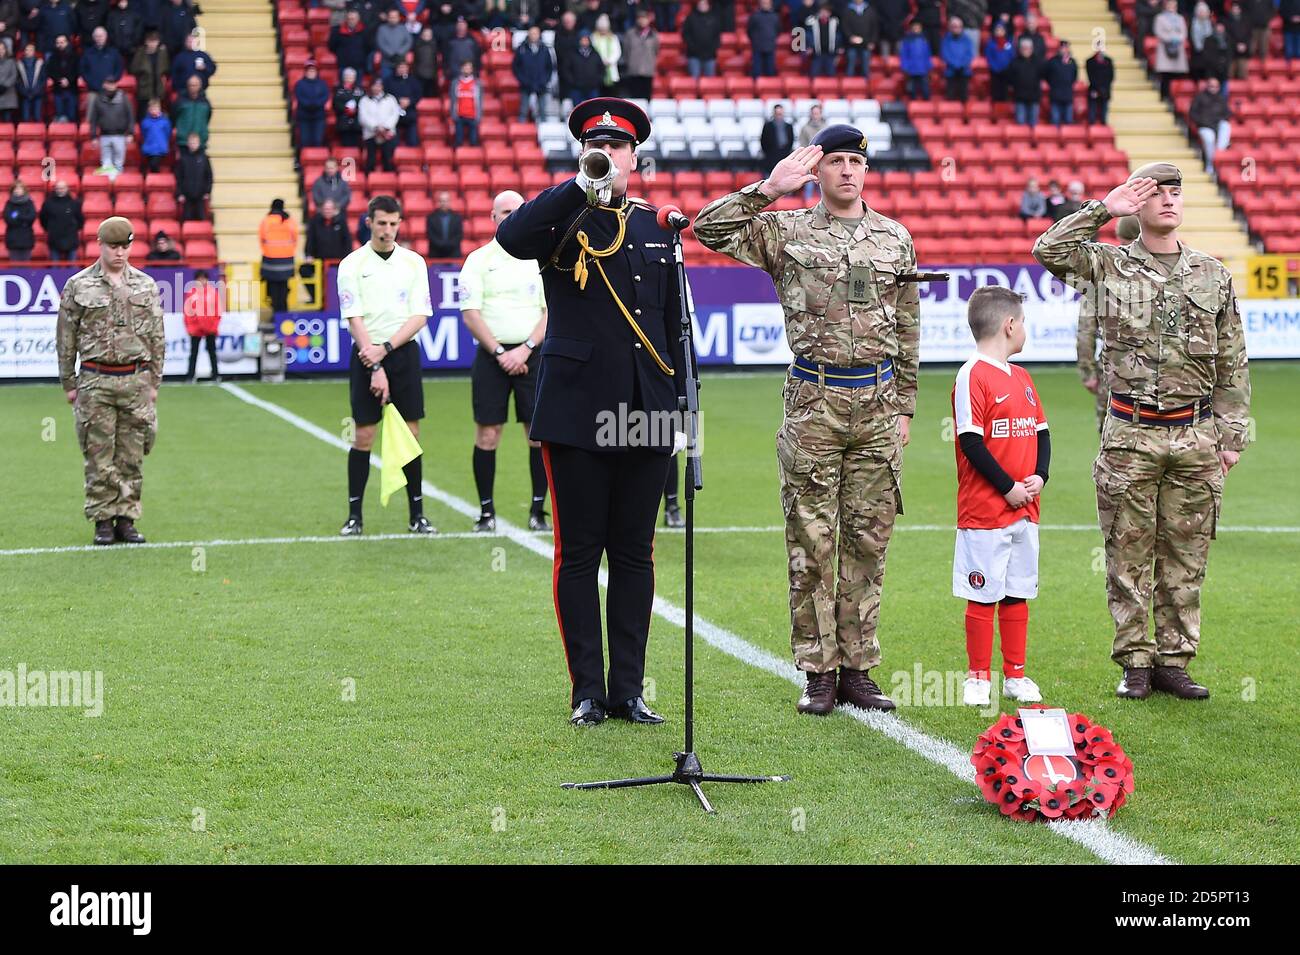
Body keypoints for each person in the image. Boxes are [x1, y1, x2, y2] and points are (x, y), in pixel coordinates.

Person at [695, 126, 919, 716]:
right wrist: (768, 188)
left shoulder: (895, 238)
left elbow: (909, 325)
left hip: (877, 401)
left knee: (868, 542)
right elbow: (708, 229)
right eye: (837, 161)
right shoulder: (786, 229)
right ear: (818, 171)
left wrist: (907, 404)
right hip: (813, 401)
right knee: (812, 543)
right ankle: (818, 671)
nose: (848, 170)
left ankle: (858, 667)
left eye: (856, 161)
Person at [494, 97, 690, 728]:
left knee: (635, 553)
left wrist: (680, 411)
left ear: (637, 156)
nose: (613, 156)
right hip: (577, 411)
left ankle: (629, 691)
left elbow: (672, 326)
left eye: (621, 148)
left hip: (646, 410)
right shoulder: (560, 219)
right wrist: (582, 183)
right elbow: (510, 236)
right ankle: (587, 690)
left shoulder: (658, 226)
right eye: (600, 147)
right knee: (579, 553)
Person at [1032, 163, 1251, 701]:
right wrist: (1105, 209)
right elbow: (1047, 250)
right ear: (1139, 203)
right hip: (1131, 432)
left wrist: (1232, 433)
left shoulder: (1211, 274)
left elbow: (1232, 358)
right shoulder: (1108, 265)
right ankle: (1134, 658)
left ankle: (1174, 660)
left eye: (1175, 193)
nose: (1168, 202)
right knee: (1127, 553)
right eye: (1156, 194)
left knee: (1187, 553)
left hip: (1195, 433)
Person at [951, 286, 1050, 707]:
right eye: (1023, 322)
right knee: (983, 591)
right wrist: (1007, 487)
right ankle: (978, 677)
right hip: (986, 509)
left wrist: (1039, 477)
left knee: (1017, 589)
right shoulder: (971, 374)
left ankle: (1016, 675)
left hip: (1026, 507)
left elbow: (1042, 434)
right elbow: (972, 443)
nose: (1024, 329)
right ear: (1010, 326)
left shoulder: (1023, 378)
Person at [56, 216, 164, 546]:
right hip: (95, 379)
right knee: (99, 455)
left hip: (134, 379)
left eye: (125, 246)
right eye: (114, 246)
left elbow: (157, 337)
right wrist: (69, 382)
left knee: (132, 454)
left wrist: (154, 381)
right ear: (100, 245)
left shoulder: (145, 284)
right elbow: (66, 337)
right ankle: (102, 520)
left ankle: (127, 519)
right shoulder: (78, 285)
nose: (120, 253)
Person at [337, 195, 436, 536]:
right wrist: (374, 359)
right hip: (365, 353)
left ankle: (417, 514)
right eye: (382, 223)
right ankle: (354, 517)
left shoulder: (413, 263)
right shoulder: (351, 264)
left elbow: (420, 314)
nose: (388, 230)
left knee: (410, 433)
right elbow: (354, 317)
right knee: (364, 434)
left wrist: (387, 349)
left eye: (394, 224)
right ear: (369, 223)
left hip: (402, 354)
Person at [458, 190, 551, 533]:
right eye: (504, 212)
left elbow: (549, 311)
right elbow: (470, 314)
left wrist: (525, 348)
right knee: (488, 434)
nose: (510, 217)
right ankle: (486, 512)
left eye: (517, 211)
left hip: (532, 355)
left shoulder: (539, 258)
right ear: (492, 217)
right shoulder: (478, 260)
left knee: (538, 435)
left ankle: (538, 511)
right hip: (491, 358)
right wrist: (500, 352)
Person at [1077, 214, 1142, 432]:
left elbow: (1086, 331)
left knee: (1110, 433)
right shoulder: (1161, 271)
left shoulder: (1102, 273)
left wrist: (1087, 372)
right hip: (1155, 373)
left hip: (1112, 370)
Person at [86, 75, 134, 177]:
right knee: (106, 165)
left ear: (116, 84)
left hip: (120, 135)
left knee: (118, 164)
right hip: (104, 135)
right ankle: (107, 187)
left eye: (112, 83)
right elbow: (94, 119)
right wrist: (93, 136)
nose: (110, 86)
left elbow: (130, 116)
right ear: (104, 85)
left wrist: (130, 132)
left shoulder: (123, 98)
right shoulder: (99, 98)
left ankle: (117, 187)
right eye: (108, 83)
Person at [259, 198, 297, 314]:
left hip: (270, 260)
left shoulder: (266, 221)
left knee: (274, 289)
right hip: (286, 260)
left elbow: (261, 239)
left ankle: (276, 314)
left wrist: (268, 251)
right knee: (284, 288)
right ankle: (284, 313)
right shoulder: (289, 220)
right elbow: (295, 238)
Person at [183, 267, 222, 382]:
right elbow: (187, 311)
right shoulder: (191, 293)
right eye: (199, 279)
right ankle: (190, 375)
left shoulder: (212, 292)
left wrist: (214, 325)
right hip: (196, 328)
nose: (201, 282)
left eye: (203, 279)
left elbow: (218, 310)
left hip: (210, 327)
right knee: (193, 353)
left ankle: (215, 375)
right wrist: (189, 326)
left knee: (212, 352)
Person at [1189, 75, 1231, 176]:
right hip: (1205, 126)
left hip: (1217, 125)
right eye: (1211, 86)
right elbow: (1193, 113)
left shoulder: (1221, 98)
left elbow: (1227, 113)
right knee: (1209, 139)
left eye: (1215, 86)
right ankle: (1210, 164)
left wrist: (1219, 120)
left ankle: (1219, 152)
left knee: (1225, 125)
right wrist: (1202, 122)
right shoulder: (1200, 97)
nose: (1213, 88)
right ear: (1207, 86)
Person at [514, 23, 553, 120]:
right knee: (523, 110)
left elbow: (549, 67)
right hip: (526, 84)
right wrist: (523, 80)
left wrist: (545, 80)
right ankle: (520, 131)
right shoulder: (521, 49)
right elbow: (516, 67)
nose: (534, 35)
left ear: (539, 34)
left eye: (536, 33)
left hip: (541, 84)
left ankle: (544, 133)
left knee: (543, 111)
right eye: (532, 33)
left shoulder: (544, 49)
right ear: (528, 34)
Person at [360, 77, 400, 170]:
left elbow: (394, 114)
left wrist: (386, 127)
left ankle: (388, 180)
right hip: (371, 134)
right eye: (375, 86)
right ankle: (369, 180)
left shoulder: (390, 98)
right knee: (370, 160)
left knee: (387, 159)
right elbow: (363, 116)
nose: (377, 88)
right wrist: (375, 127)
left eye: (379, 86)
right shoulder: (365, 100)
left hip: (387, 134)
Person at [39, 178, 84, 262]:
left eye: (62, 188)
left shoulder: (74, 203)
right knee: (55, 268)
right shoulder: (48, 203)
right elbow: (43, 219)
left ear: (67, 189)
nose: (60, 190)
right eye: (58, 188)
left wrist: (73, 229)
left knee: (72, 269)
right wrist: (50, 229)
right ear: (55, 189)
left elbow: (80, 220)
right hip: (54, 239)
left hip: (71, 238)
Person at [1154, 0, 1189, 99]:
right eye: (1170, 5)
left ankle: (1175, 96)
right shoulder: (1160, 18)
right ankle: (1164, 95)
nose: (1172, 7)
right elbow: (1158, 31)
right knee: (1166, 75)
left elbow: (1184, 32)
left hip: (1178, 47)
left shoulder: (1180, 18)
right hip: (1165, 48)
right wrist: (1169, 39)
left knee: (1177, 75)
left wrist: (1178, 39)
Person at [620, 11, 657, 100]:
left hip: (648, 71)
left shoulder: (654, 34)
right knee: (634, 98)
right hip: (634, 71)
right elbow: (626, 51)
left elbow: (656, 50)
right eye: (640, 18)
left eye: (644, 18)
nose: (642, 21)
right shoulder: (630, 34)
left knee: (646, 97)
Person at [175, 131, 211, 222]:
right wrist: (180, 193)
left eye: (195, 143)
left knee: (201, 219)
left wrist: (207, 191)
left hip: (200, 195)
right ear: (188, 143)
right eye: (191, 143)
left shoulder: (204, 158)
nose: (193, 145)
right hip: (187, 196)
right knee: (187, 219)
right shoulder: (183, 158)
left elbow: (209, 176)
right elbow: (179, 177)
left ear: (199, 143)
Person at [129, 28, 167, 109]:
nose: (152, 44)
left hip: (157, 89)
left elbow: (166, 68)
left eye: (155, 41)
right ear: (146, 42)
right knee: (144, 114)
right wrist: (143, 70)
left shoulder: (162, 53)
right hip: (144, 88)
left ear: (158, 42)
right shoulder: (140, 52)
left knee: (156, 114)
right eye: (150, 41)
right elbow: (133, 69)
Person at [294, 60, 330, 148]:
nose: (311, 72)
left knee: (317, 140)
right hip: (304, 116)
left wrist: (316, 104)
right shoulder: (300, 84)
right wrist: (309, 104)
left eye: (313, 70)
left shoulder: (322, 84)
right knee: (305, 141)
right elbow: (299, 97)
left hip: (319, 116)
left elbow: (325, 96)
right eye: (309, 70)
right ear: (305, 72)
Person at [1008, 36, 1043, 126]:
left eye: (1028, 48)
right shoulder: (1014, 62)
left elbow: (1042, 76)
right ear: (1020, 49)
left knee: (1033, 125)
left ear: (1031, 49)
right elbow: (1010, 79)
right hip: (1020, 98)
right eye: (1023, 48)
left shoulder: (1038, 62)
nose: (1026, 50)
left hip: (1034, 98)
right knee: (1020, 125)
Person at [172, 73, 211, 149]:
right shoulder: (180, 101)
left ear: (200, 86)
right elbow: (173, 115)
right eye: (191, 85)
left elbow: (208, 116)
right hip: (183, 141)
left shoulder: (205, 102)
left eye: (195, 85)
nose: (193, 87)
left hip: (200, 141)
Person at [79, 25, 122, 93]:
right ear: (93, 38)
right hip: (92, 90)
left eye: (101, 36)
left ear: (106, 36)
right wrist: (93, 84)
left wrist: (111, 82)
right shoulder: (87, 53)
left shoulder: (114, 53)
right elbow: (83, 71)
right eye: (97, 36)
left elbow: (119, 69)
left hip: (110, 90)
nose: (99, 38)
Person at [448, 61, 480, 148]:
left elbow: (480, 101)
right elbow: (452, 100)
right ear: (461, 69)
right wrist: (453, 114)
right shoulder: (455, 83)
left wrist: (478, 116)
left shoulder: (477, 83)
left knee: (474, 143)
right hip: (459, 116)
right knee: (458, 143)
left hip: (472, 116)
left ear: (472, 70)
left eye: (469, 67)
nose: (467, 69)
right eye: (465, 67)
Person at [841, 0, 877, 78]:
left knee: (865, 62)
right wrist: (850, 37)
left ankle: (866, 84)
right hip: (851, 43)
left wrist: (872, 42)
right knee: (851, 61)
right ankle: (849, 83)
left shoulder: (870, 10)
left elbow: (874, 27)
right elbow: (844, 26)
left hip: (866, 43)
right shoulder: (847, 10)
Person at [682, 0, 718, 77]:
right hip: (694, 56)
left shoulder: (714, 19)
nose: (702, 6)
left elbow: (717, 37)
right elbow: (685, 34)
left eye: (704, 4)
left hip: (710, 56)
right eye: (701, 4)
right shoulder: (690, 18)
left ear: (708, 6)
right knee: (694, 82)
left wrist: (712, 49)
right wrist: (692, 47)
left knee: (709, 83)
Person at [940, 15, 973, 101]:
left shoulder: (967, 40)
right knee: (950, 95)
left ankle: (966, 112)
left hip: (963, 70)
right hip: (951, 70)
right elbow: (945, 54)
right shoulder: (945, 40)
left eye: (959, 27)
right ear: (950, 27)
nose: (956, 29)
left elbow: (969, 54)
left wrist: (961, 64)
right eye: (954, 26)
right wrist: (955, 64)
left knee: (964, 96)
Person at [805, 3, 841, 77]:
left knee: (831, 75)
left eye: (826, 12)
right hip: (817, 54)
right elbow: (807, 35)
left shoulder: (835, 23)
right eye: (822, 11)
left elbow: (839, 37)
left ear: (830, 13)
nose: (824, 14)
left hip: (830, 54)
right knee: (813, 74)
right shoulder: (812, 22)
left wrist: (838, 50)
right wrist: (809, 46)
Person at [1045, 40, 1077, 125]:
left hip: (1068, 95)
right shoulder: (1052, 61)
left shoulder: (1072, 62)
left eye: (1067, 48)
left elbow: (1074, 76)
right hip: (1055, 95)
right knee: (1055, 121)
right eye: (1063, 48)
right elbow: (1047, 76)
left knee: (1068, 121)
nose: (1065, 50)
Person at [900, 20, 933, 100]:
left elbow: (927, 54)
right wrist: (905, 67)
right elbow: (904, 55)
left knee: (925, 90)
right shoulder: (907, 41)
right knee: (912, 91)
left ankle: (926, 106)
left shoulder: (924, 40)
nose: (916, 29)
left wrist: (929, 66)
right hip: (911, 69)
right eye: (914, 27)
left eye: (918, 27)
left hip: (923, 69)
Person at [47, 32, 77, 121]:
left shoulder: (74, 56)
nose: (60, 45)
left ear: (67, 43)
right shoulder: (52, 57)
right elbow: (50, 71)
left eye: (62, 42)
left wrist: (68, 80)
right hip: (58, 89)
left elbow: (77, 71)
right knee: (59, 115)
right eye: (58, 43)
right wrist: (59, 80)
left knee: (71, 116)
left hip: (71, 89)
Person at [3, 181, 36, 260]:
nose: (17, 190)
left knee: (26, 267)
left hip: (26, 237)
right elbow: (8, 219)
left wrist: (18, 216)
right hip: (13, 238)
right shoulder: (9, 203)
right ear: (12, 191)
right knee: (14, 266)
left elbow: (31, 217)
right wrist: (24, 220)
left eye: (20, 188)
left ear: (24, 190)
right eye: (16, 189)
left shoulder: (29, 203)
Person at [759, 103, 793, 176]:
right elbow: (763, 141)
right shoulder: (768, 126)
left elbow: (791, 141)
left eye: (780, 113)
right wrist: (769, 154)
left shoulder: (788, 126)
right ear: (774, 113)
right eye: (777, 113)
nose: (779, 116)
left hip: (784, 157)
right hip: (771, 158)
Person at [426, 190, 463, 258]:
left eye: (446, 200)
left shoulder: (457, 218)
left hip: (453, 254)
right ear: (439, 202)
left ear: (449, 201)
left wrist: (448, 245)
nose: (444, 203)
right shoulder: (431, 218)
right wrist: (441, 245)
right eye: (442, 200)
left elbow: (459, 235)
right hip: (436, 254)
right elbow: (430, 235)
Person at [747, 0, 779, 77]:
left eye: (767, 3)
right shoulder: (754, 16)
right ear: (760, 4)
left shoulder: (775, 17)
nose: (766, 5)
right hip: (758, 47)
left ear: (771, 4)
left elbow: (778, 30)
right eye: (764, 3)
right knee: (756, 72)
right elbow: (749, 31)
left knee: (770, 71)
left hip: (770, 47)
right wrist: (755, 40)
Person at [138, 97, 170, 173]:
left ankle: (156, 180)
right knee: (144, 168)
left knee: (154, 165)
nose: (154, 110)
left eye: (155, 108)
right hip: (148, 148)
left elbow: (167, 133)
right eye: (152, 108)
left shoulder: (165, 121)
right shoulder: (145, 122)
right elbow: (143, 133)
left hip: (159, 149)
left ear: (159, 109)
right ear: (149, 109)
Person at [333, 67, 362, 148]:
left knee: (356, 146)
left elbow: (363, 103)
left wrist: (355, 110)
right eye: (347, 76)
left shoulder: (360, 90)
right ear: (343, 78)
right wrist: (346, 109)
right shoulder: (338, 89)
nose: (349, 79)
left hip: (356, 123)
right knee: (345, 145)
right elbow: (335, 104)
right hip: (343, 122)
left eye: (351, 77)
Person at [16, 41, 46, 121]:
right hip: (24, 94)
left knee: (37, 117)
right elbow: (17, 80)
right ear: (24, 51)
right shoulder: (19, 63)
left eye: (31, 50)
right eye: (27, 50)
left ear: (34, 51)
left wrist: (36, 90)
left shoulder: (40, 63)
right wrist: (23, 91)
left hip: (38, 93)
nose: (29, 52)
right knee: (25, 118)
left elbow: (43, 79)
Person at [985, 22, 1014, 102]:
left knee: (1005, 93)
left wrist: (1007, 67)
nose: (999, 32)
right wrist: (995, 67)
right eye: (997, 30)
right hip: (995, 72)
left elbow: (1012, 56)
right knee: (996, 93)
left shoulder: (1009, 43)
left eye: (1001, 30)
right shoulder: (990, 44)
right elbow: (989, 57)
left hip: (1006, 72)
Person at [1087, 45, 1114, 124]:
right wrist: (1098, 89)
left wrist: (1103, 89)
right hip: (1094, 89)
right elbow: (1090, 77)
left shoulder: (1108, 61)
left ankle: (1103, 127)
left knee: (1104, 113)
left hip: (1105, 89)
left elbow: (1111, 76)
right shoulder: (1090, 61)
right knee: (1092, 113)